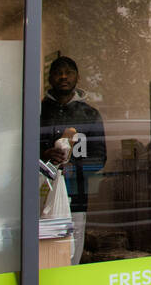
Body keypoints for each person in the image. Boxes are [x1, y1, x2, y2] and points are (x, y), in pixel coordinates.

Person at [39, 56, 106, 267]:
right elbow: (23, 153)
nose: (63, 76)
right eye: (58, 72)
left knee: (72, 245)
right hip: (41, 196)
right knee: (44, 245)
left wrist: (75, 166)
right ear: (50, 78)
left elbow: (99, 157)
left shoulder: (89, 115)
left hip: (76, 194)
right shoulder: (38, 113)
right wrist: (44, 156)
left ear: (78, 77)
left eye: (69, 72)